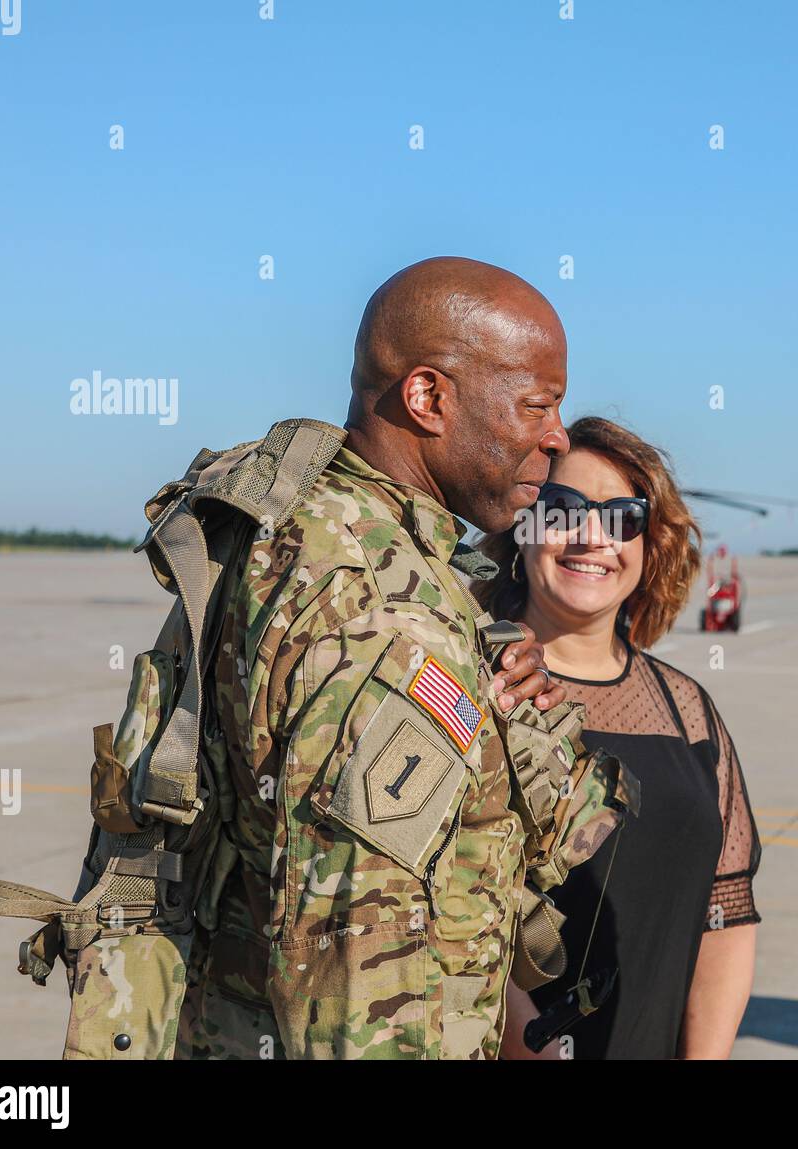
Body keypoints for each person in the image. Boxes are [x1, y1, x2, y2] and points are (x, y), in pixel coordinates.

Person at [181, 256, 574, 1059]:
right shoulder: (384, 612)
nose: (556, 436)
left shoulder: (325, 537)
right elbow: (356, 953)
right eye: (537, 405)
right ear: (428, 397)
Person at [477, 416, 761, 1060]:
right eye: (561, 509)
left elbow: (728, 914)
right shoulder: (469, 681)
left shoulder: (687, 709)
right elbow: (447, 918)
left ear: (648, 542)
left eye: (623, 515)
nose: (593, 536)